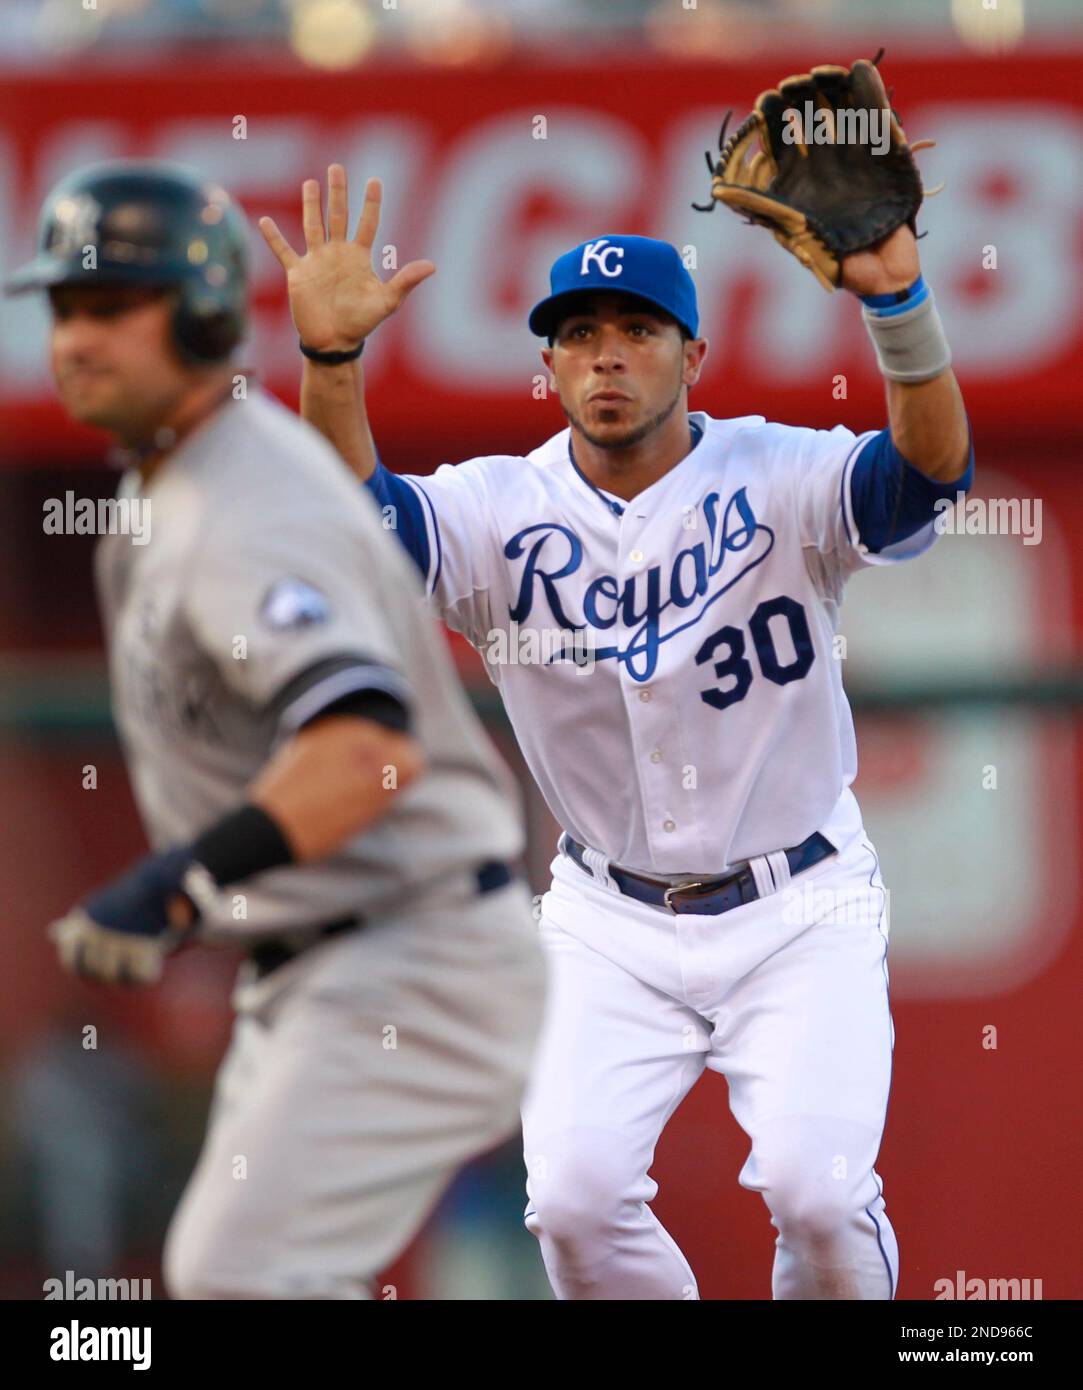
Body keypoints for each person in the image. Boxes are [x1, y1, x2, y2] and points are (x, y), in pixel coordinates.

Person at [260, 159, 973, 1300]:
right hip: (607, 915)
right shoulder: (498, 508)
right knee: (576, 1208)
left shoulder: (781, 475)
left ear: (696, 356)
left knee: (820, 1195)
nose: (606, 353)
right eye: (578, 331)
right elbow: (359, 525)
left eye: (638, 330)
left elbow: (930, 475)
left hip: (799, 902)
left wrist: (899, 306)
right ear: (545, 365)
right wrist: (331, 364)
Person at [8, 158, 545, 1300]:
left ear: (202, 312)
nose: (76, 338)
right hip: (332, 956)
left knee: (242, 1277)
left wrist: (173, 884)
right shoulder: (180, 483)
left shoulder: (238, 502)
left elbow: (366, 750)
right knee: (242, 1276)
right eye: (64, 309)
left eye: (112, 305)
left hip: (411, 949)